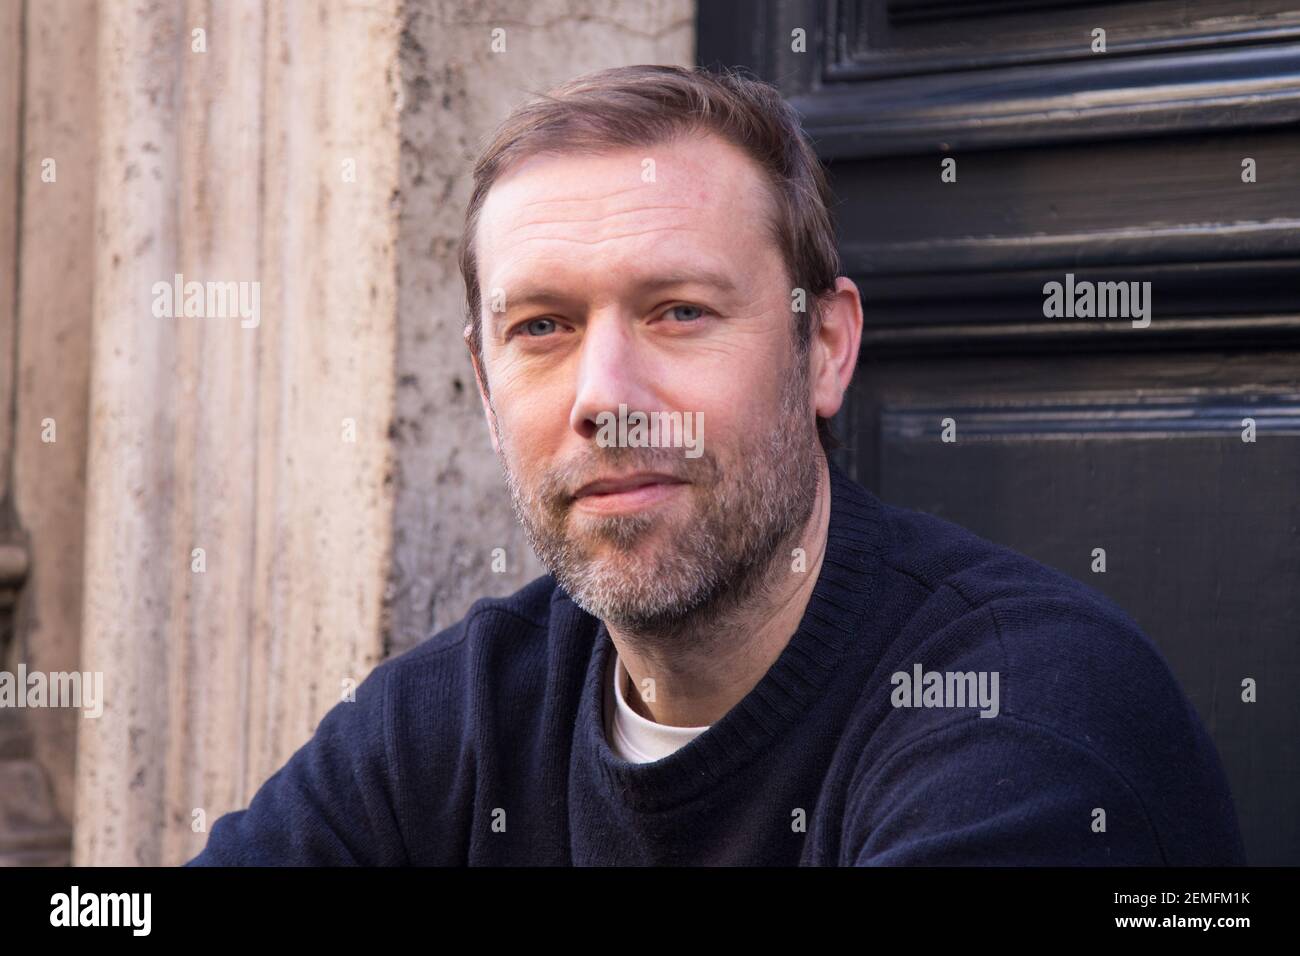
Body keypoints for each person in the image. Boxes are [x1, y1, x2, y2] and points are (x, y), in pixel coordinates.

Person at [186, 64, 1245, 866]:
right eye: (543, 326)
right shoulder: (464, 714)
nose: (604, 396)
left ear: (823, 346)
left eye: (679, 311)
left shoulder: (1020, 713)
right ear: (481, 384)